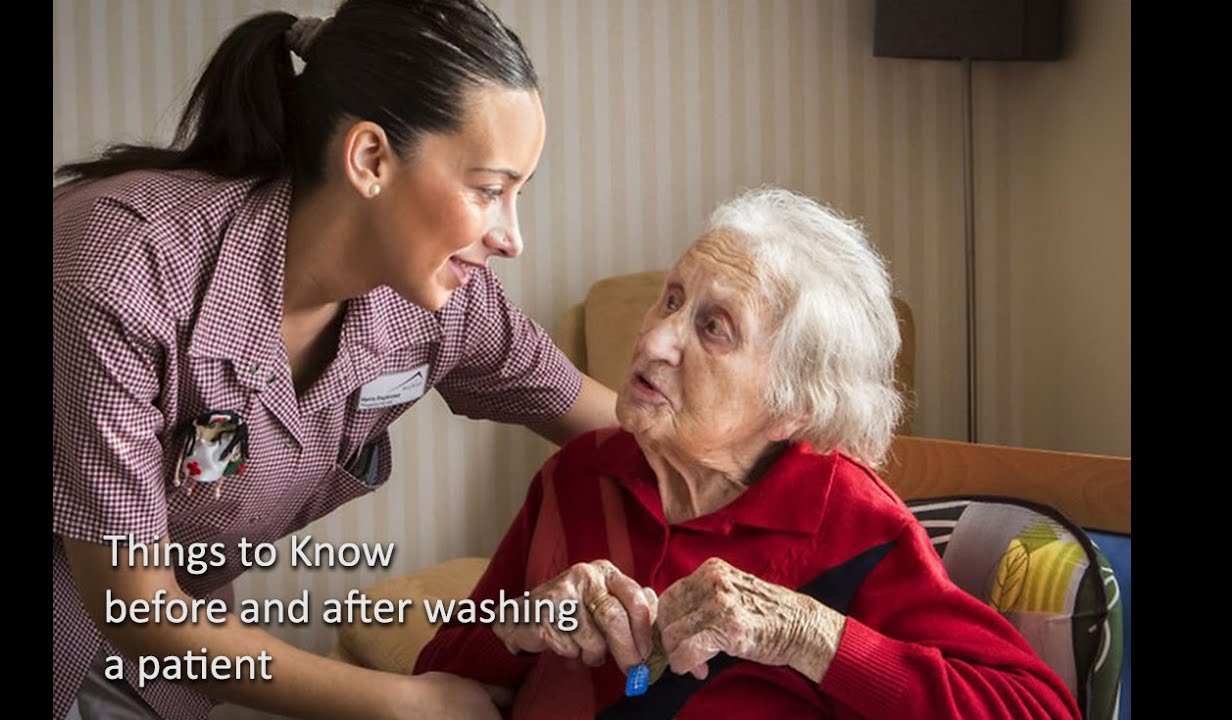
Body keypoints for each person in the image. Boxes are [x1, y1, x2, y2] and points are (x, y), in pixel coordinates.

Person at [52, 1, 618, 719]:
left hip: (166, 673)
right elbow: (134, 606)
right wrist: (414, 705)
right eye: (487, 191)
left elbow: (624, 433)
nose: (512, 238)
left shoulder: (440, 300)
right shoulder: (118, 272)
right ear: (371, 159)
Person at [415, 187, 1081, 719]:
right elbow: (436, 679)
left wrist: (809, 635)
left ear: (794, 405)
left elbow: (1039, 709)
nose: (654, 341)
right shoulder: (580, 473)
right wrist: (519, 625)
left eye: (713, 328)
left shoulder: (848, 522)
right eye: (671, 300)